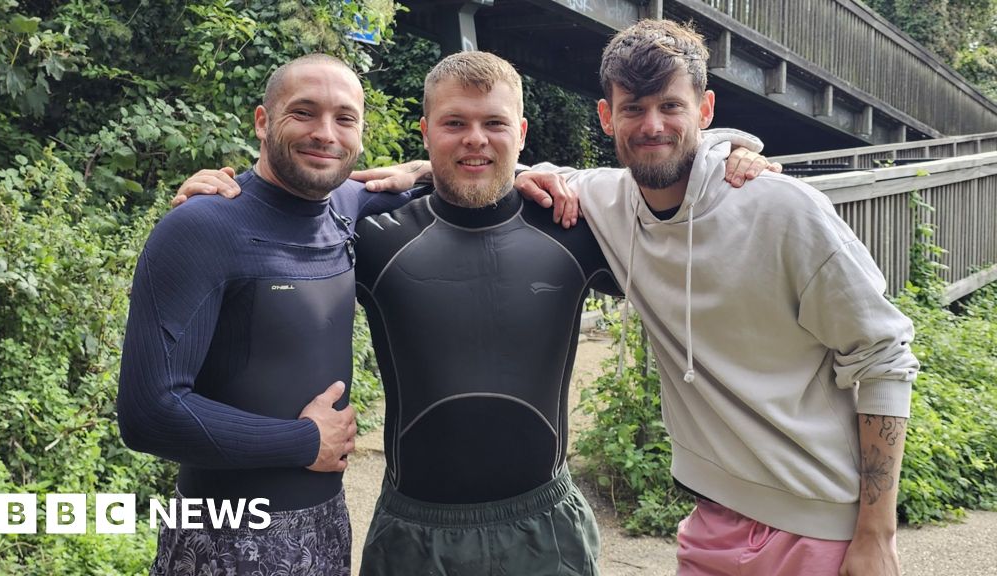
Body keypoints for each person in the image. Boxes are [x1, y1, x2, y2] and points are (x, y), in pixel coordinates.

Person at [174, 54, 774, 575]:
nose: (475, 140)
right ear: (426, 132)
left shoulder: (573, 223)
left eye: (493, 124)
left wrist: (731, 154)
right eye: (454, 123)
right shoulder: (370, 227)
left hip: (544, 528)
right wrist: (222, 200)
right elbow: (282, 215)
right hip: (413, 533)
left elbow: (679, 210)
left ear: (521, 130)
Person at [513, 19, 917, 576]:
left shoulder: (782, 209)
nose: (652, 124)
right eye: (633, 108)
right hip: (711, 522)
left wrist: (877, 535)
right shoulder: (605, 199)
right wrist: (421, 172)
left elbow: (884, 356)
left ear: (705, 111)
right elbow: (503, 170)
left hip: (820, 526)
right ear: (607, 117)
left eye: (670, 106)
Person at [118, 54, 419, 576]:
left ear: (361, 133)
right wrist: (304, 440)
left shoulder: (347, 204)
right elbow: (148, 414)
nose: (325, 133)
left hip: (325, 533)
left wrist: (426, 167)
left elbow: (468, 169)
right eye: (303, 112)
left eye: (344, 118)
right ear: (262, 121)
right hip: (220, 542)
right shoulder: (202, 226)